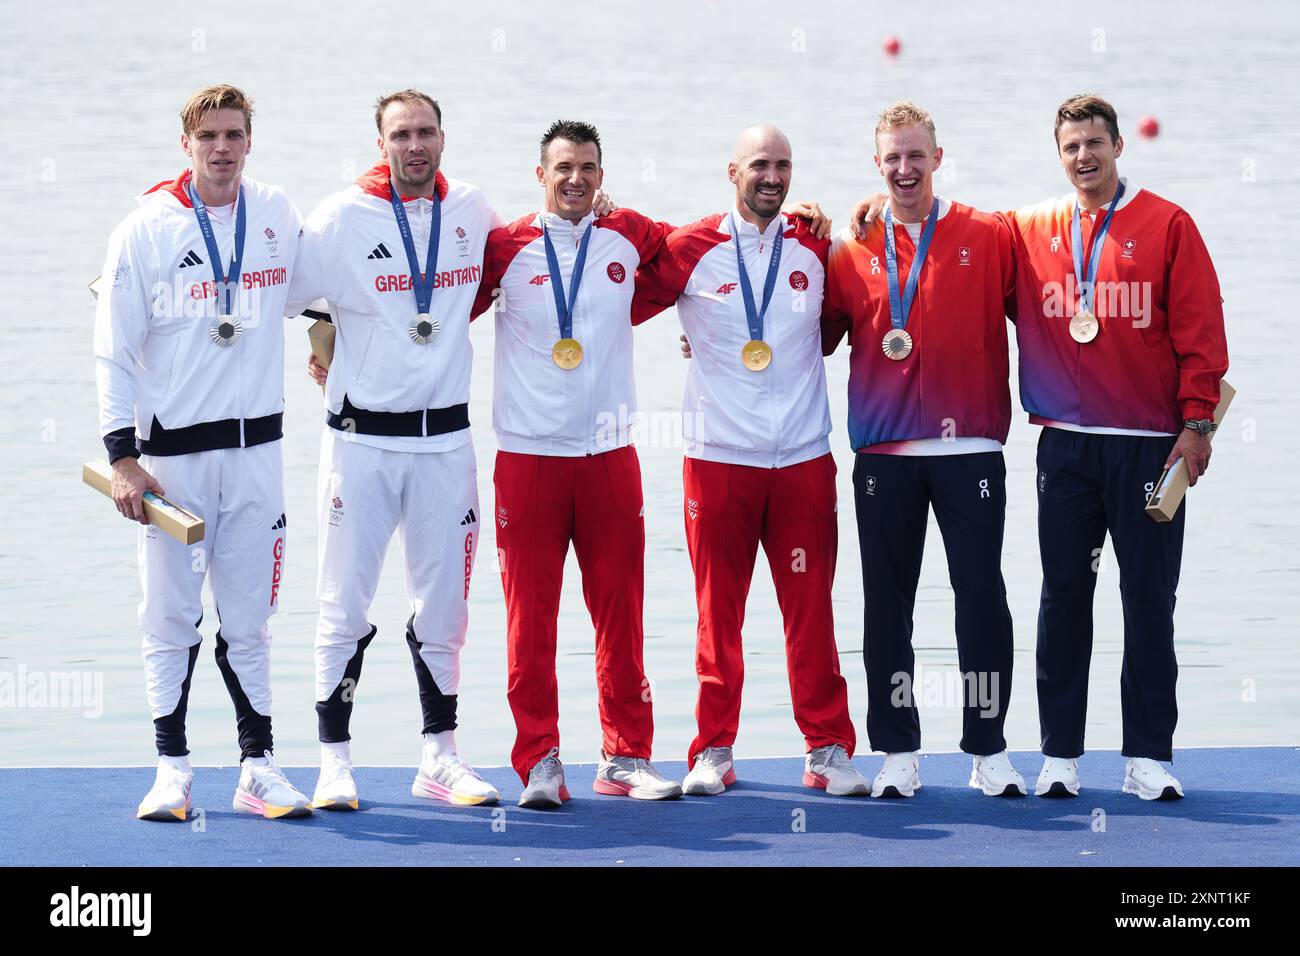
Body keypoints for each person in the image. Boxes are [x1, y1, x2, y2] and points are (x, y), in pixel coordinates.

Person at [853, 94, 1229, 799]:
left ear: (1118, 146)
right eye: (1071, 146)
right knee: (1063, 600)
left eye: (1094, 143)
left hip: (1150, 447)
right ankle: (1060, 756)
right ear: (1058, 156)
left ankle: (1148, 758)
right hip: (1064, 447)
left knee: (1150, 601)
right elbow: (934, 227)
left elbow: (1202, 329)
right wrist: (878, 207)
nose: (1084, 156)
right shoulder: (1027, 229)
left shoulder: (1168, 224)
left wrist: (1198, 423)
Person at [95, 84, 311, 821]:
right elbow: (112, 351)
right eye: (208, 136)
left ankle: (259, 768)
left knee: (250, 620)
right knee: (169, 617)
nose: (222, 148)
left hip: (257, 455)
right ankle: (172, 771)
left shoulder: (275, 212)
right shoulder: (144, 229)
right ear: (185, 144)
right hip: (173, 463)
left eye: (234, 135)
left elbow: (323, 291)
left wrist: (325, 341)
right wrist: (121, 457)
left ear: (250, 141)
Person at [633, 124, 869, 798]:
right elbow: (612, 304)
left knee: (811, 611)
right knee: (718, 615)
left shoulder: (816, 245)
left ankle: (827, 750)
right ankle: (713, 749)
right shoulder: (691, 247)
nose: (772, 177)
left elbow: (836, 330)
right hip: (719, 461)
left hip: (802, 459)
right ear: (732, 171)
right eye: (759, 164)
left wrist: (864, 215)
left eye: (783, 165)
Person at [288, 90, 501, 809]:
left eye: (426, 132)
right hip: (361, 444)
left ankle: (440, 757)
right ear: (380, 144)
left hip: (446, 443)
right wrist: (327, 340)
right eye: (401, 134)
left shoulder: (470, 209)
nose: (415, 146)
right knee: (341, 604)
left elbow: (535, 254)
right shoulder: (341, 215)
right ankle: (333, 762)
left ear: (443, 138)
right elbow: (278, 293)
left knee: (446, 608)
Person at [468, 119, 682, 808]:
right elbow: (437, 313)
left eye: (587, 168)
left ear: (602, 175)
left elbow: (695, 261)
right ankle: (540, 761)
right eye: (563, 168)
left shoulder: (626, 234)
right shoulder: (505, 247)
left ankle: (626, 757)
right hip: (529, 460)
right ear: (541, 175)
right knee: (530, 622)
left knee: (621, 615)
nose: (575, 179)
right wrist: (335, 348)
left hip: (609, 458)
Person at [822, 102, 1024, 799]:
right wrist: (707, 336)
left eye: (916, 155)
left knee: (982, 600)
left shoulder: (990, 235)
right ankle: (898, 751)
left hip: (970, 447)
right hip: (885, 453)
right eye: (892, 158)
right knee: (887, 605)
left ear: (938, 158)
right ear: (876, 164)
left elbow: (1055, 308)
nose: (905, 169)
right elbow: (804, 335)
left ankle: (988, 748)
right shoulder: (848, 247)